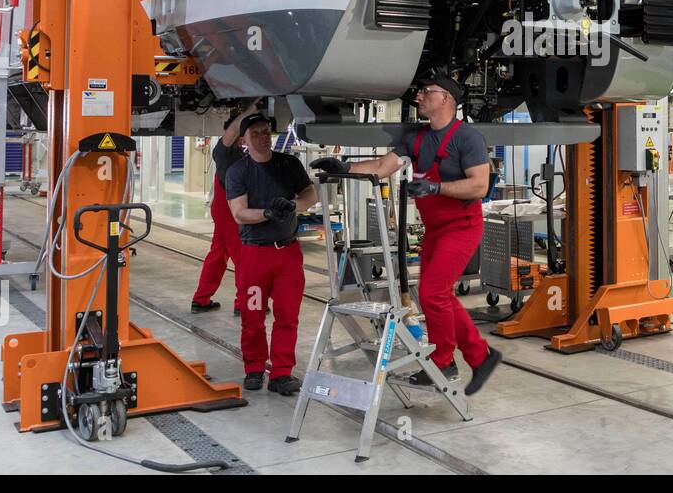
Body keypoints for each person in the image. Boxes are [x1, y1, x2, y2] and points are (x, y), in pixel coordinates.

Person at [327, 76, 501, 396]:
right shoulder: (417, 138)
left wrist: (437, 187)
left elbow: (478, 185)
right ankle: (481, 356)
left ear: (446, 99)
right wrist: (342, 167)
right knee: (438, 295)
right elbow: (381, 167)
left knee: (434, 292)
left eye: (426, 92)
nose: (419, 96)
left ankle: (443, 362)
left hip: (462, 226)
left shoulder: (468, 138)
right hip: (435, 229)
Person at [224, 112, 317, 395]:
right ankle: (253, 368)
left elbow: (310, 195)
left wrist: (294, 205)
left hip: (288, 254)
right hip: (255, 255)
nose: (264, 138)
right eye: (256, 134)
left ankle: (281, 373)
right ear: (244, 141)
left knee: (288, 315)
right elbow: (239, 213)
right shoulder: (238, 172)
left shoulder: (288, 164)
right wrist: (267, 213)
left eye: (266, 132)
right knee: (253, 317)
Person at [190, 101, 259, 314]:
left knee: (218, 255)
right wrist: (250, 110)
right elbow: (232, 131)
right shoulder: (224, 150)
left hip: (223, 208)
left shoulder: (238, 152)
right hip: (229, 210)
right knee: (243, 255)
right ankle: (245, 304)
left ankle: (201, 300)